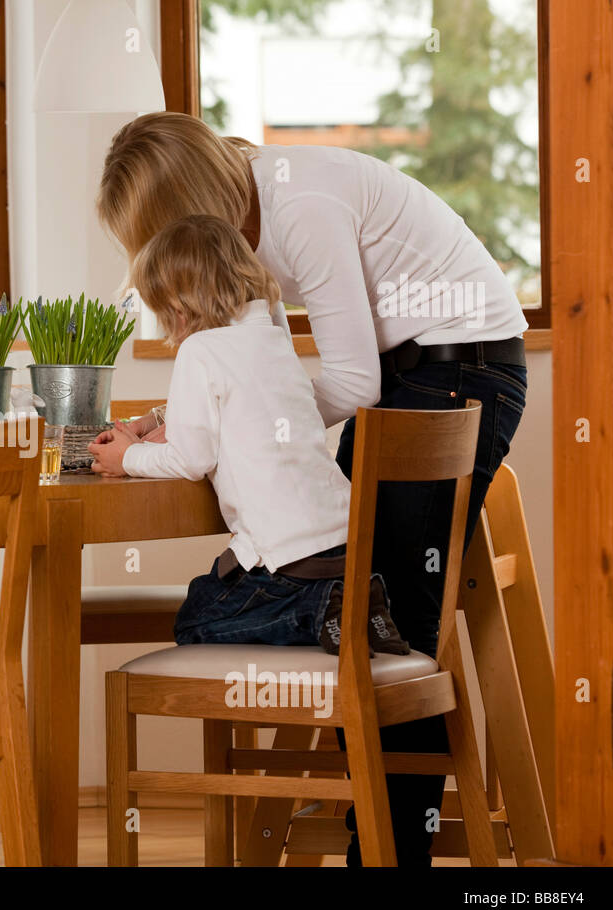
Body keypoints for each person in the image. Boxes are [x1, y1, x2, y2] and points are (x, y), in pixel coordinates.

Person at [98, 112, 529, 866]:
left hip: (457, 369)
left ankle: (389, 852)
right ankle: (373, 832)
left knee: (386, 620)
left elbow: (349, 381)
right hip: (411, 373)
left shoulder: (299, 208)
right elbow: (266, 377)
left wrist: (234, 425)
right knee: (362, 607)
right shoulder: (253, 227)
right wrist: (184, 418)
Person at [89, 214, 405, 656]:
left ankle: (314, 612)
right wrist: (161, 419)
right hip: (344, 550)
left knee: (195, 618)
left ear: (178, 306)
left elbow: (190, 459)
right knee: (220, 583)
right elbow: (245, 404)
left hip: (286, 564)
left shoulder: (199, 350)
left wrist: (128, 458)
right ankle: (359, 608)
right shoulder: (274, 340)